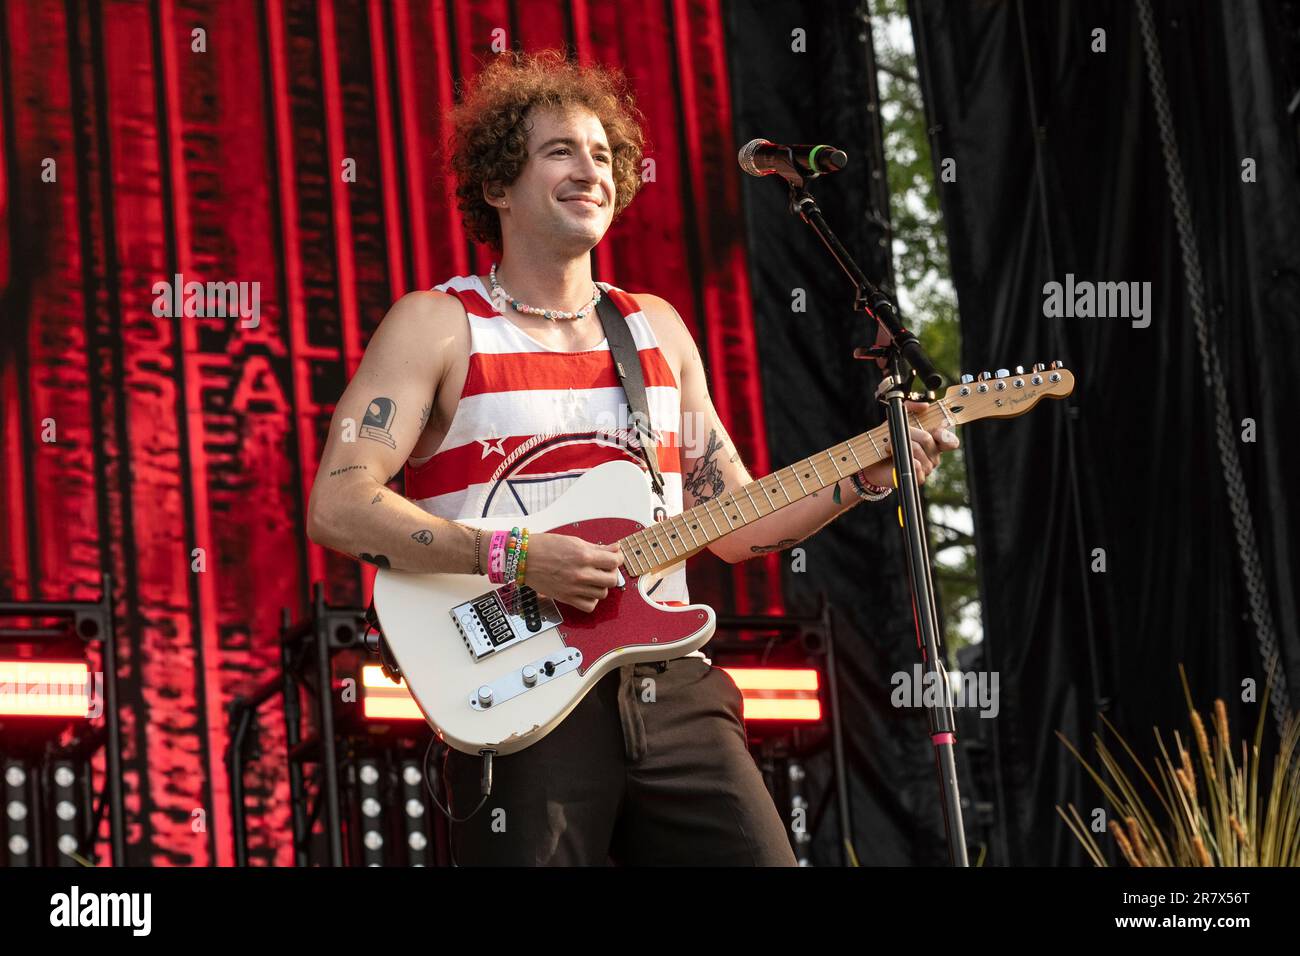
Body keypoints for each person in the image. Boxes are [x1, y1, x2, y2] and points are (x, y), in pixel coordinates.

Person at [306, 49, 959, 865]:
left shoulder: (654, 328)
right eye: (560, 152)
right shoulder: (439, 323)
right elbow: (338, 503)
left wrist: (867, 476)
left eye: (605, 154)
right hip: (517, 688)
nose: (592, 170)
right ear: (498, 185)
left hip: (671, 681)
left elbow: (733, 525)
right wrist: (515, 554)